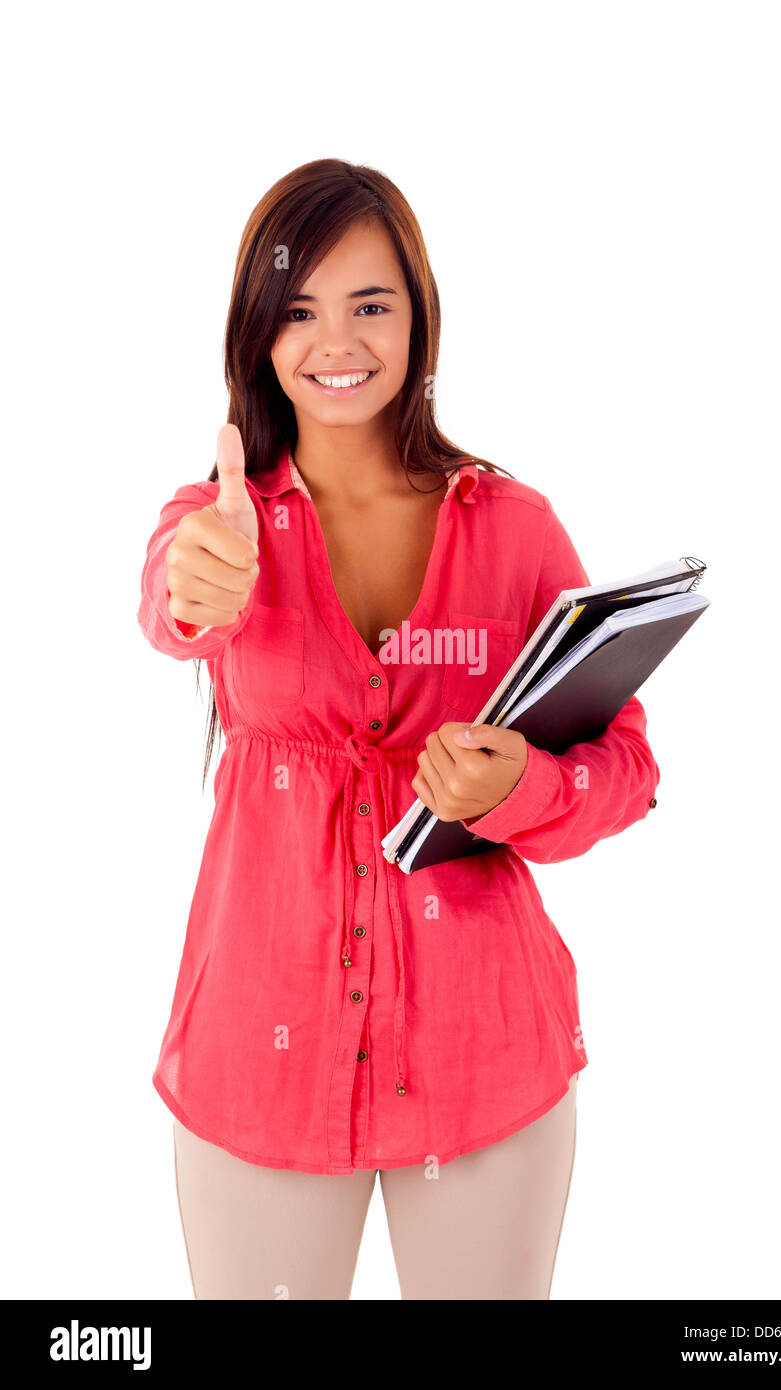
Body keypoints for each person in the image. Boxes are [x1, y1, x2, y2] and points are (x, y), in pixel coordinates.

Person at [138, 158, 660, 1300]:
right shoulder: (217, 522)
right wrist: (199, 586)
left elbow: (624, 763)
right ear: (257, 333)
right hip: (255, 1046)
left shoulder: (514, 527)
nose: (336, 339)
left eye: (370, 303)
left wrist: (520, 785)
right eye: (298, 309)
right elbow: (171, 604)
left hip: (485, 1055)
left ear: (419, 318)